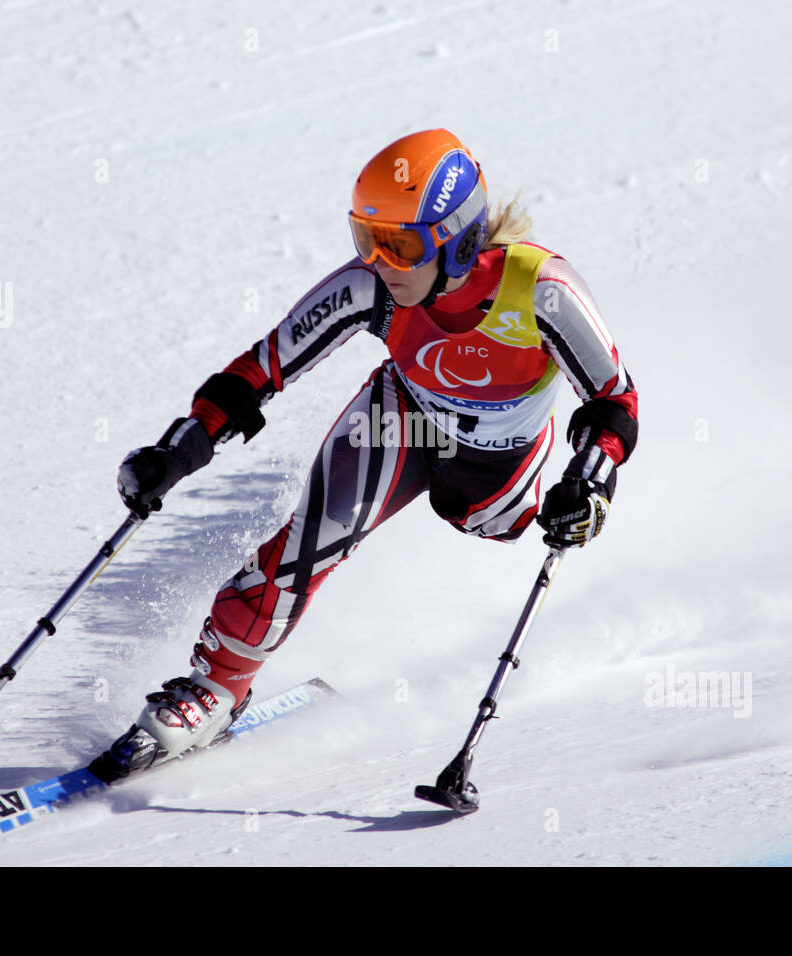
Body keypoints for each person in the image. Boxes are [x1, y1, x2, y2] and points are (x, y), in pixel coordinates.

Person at [88, 129, 638, 783]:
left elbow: (613, 400)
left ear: (457, 239)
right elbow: (264, 367)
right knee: (308, 540)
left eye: (399, 246)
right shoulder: (371, 288)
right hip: (399, 422)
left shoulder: (541, 290)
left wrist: (589, 478)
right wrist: (180, 449)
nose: (379, 262)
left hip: (501, 463)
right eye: (365, 240)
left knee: (498, 527)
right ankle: (215, 690)